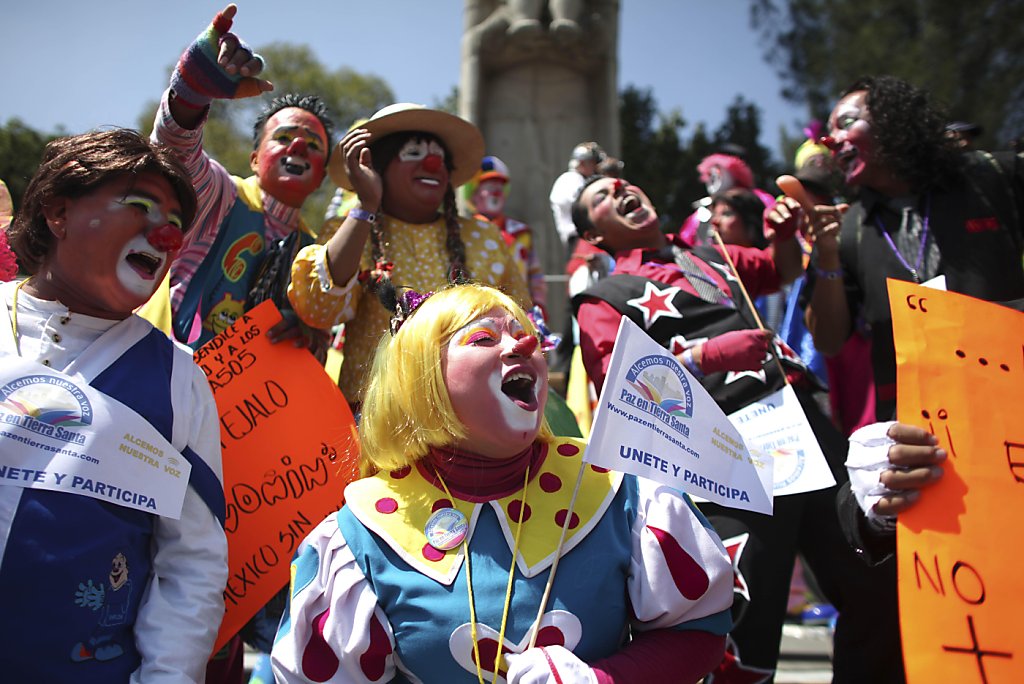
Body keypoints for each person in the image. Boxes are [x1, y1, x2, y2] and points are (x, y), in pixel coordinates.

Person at [271, 281, 733, 683]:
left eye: (521, 333)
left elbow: (700, 632)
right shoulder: (360, 535)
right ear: (423, 379)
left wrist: (601, 680)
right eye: (484, 338)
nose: (520, 345)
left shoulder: (621, 494)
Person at [571, 175, 902, 683]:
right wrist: (709, 355)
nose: (619, 192)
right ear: (594, 236)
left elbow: (779, 269)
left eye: (622, 183)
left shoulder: (713, 254)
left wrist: (785, 232)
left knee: (877, 573)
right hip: (725, 450)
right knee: (744, 611)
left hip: (804, 421)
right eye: (601, 198)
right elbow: (620, 387)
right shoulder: (602, 298)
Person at [1, 128, 227, 682]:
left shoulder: (179, 377)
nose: (168, 232)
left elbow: (192, 561)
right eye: (142, 206)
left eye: (176, 219)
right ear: (58, 212)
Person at [806, 74, 1024, 424]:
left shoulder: (990, 175)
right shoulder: (847, 231)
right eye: (829, 133)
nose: (832, 141)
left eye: (847, 123)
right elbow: (828, 342)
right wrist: (828, 256)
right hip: (920, 433)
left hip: (1012, 400)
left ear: (894, 119)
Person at [286, 102, 530, 406]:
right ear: (376, 167)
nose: (432, 165)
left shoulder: (483, 237)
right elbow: (318, 310)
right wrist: (365, 207)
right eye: (413, 154)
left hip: (473, 420)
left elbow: (521, 320)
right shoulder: (349, 229)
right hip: (376, 420)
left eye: (440, 158)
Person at [150, 4, 334, 350]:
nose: (298, 145)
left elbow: (321, 344)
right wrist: (191, 91)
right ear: (254, 159)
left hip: (247, 403)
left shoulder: (315, 254)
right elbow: (173, 154)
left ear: (322, 174)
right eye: (283, 137)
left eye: (313, 145)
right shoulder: (220, 195)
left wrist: (307, 332)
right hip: (162, 378)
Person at [463, 154, 547, 311]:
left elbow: (535, 275)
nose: (496, 193)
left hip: (520, 311)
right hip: (479, 312)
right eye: (489, 188)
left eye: (499, 188)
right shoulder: (464, 233)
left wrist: (539, 305)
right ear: (474, 195)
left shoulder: (522, 233)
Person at [678, 153, 776, 249]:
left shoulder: (755, 198)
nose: (715, 223)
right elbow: (685, 243)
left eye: (727, 213)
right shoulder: (700, 214)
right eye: (709, 174)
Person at [550, 141, 606, 251]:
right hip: (578, 240)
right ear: (582, 163)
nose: (596, 167)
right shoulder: (570, 179)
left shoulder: (577, 179)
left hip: (584, 239)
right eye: (593, 162)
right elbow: (581, 206)